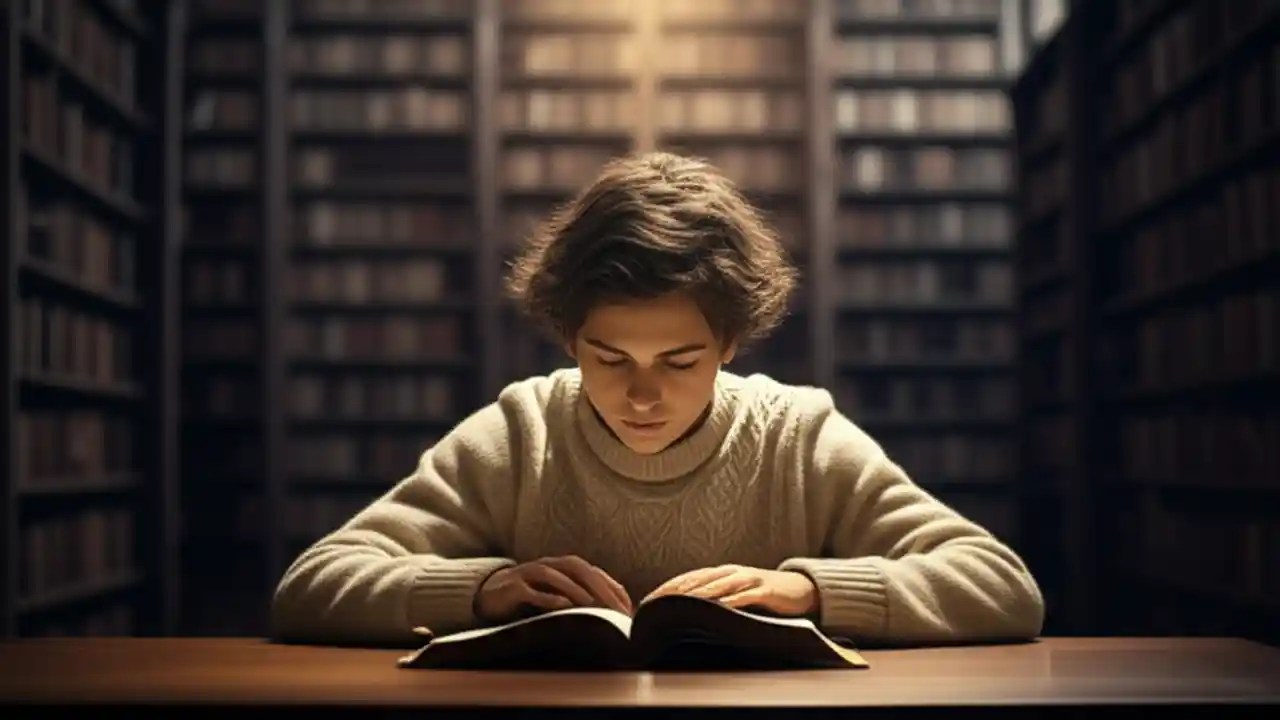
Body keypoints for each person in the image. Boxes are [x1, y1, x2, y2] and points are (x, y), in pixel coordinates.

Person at [270, 151, 1045, 647]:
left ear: (731, 345)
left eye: (680, 361)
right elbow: (311, 586)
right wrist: (482, 587)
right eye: (610, 359)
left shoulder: (798, 435)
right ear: (570, 339)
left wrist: (808, 590)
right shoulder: (522, 429)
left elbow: (1002, 586)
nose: (643, 396)